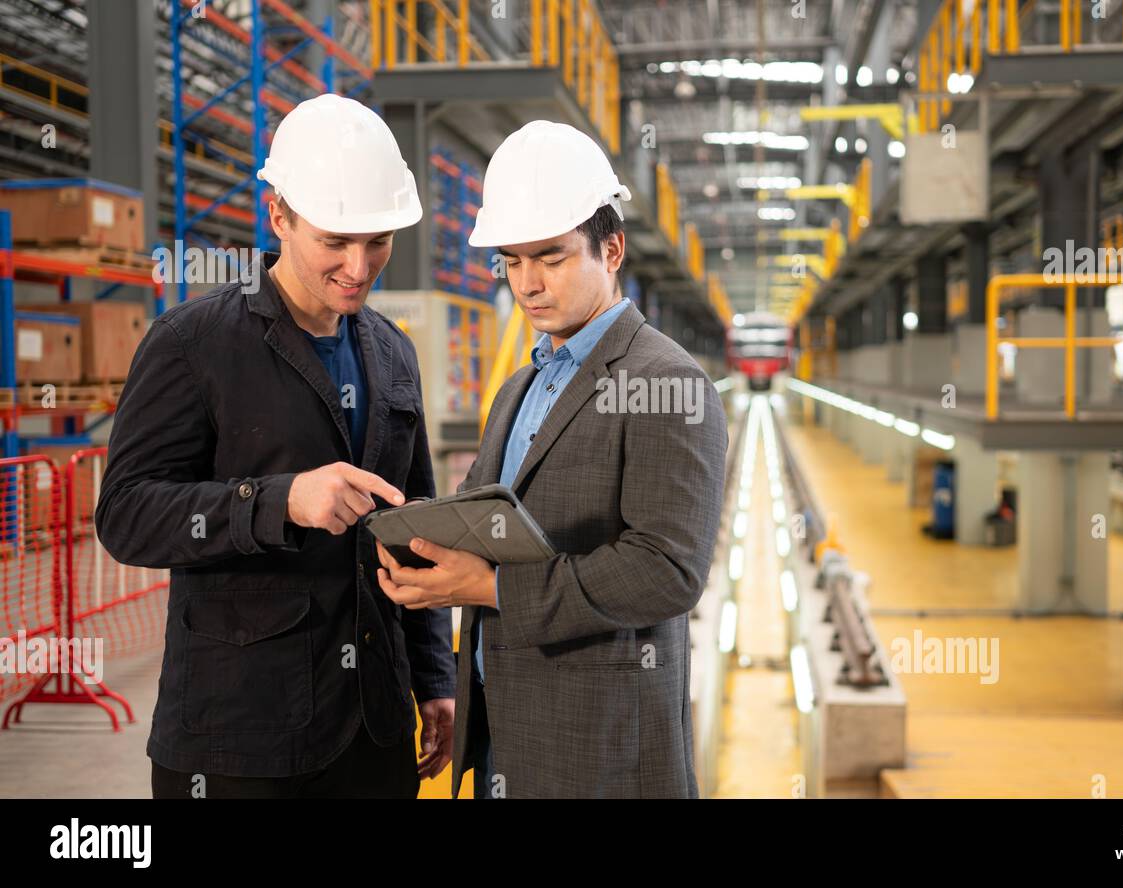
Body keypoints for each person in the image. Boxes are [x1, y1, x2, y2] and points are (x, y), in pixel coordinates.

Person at [95, 94, 455, 798]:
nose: (360, 266)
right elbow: (127, 516)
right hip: (240, 739)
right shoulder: (193, 345)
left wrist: (434, 677)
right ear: (280, 216)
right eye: (336, 241)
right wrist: (279, 502)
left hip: (374, 731)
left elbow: (417, 523)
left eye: (378, 240)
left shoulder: (393, 354)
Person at [372, 120, 727, 798]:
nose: (528, 284)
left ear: (611, 248)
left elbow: (667, 570)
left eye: (552, 257)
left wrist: (488, 588)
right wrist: (413, 528)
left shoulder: (665, 382)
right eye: (512, 261)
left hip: (602, 753)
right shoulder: (520, 386)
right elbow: (484, 517)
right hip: (508, 734)